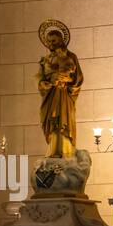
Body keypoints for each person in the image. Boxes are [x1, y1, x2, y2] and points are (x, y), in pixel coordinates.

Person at [37, 19, 82, 160]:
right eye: (49, 41)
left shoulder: (71, 57)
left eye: (54, 41)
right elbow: (41, 80)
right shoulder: (45, 60)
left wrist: (66, 80)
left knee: (64, 121)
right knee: (52, 122)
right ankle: (53, 151)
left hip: (64, 95)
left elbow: (78, 78)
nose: (51, 44)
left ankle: (66, 151)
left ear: (61, 41)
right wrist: (45, 84)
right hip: (51, 95)